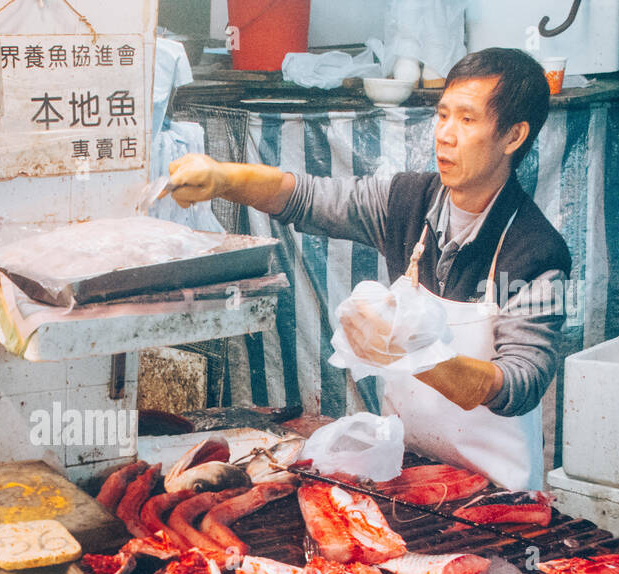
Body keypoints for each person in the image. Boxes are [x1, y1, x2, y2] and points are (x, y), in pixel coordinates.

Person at [166, 47, 572, 491]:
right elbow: (307, 198)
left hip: (496, 490)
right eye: (442, 115)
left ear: (513, 136)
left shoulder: (536, 253)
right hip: (410, 471)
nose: (445, 135)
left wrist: (411, 354)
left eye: (467, 120)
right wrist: (224, 178)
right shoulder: (407, 203)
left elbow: (521, 382)